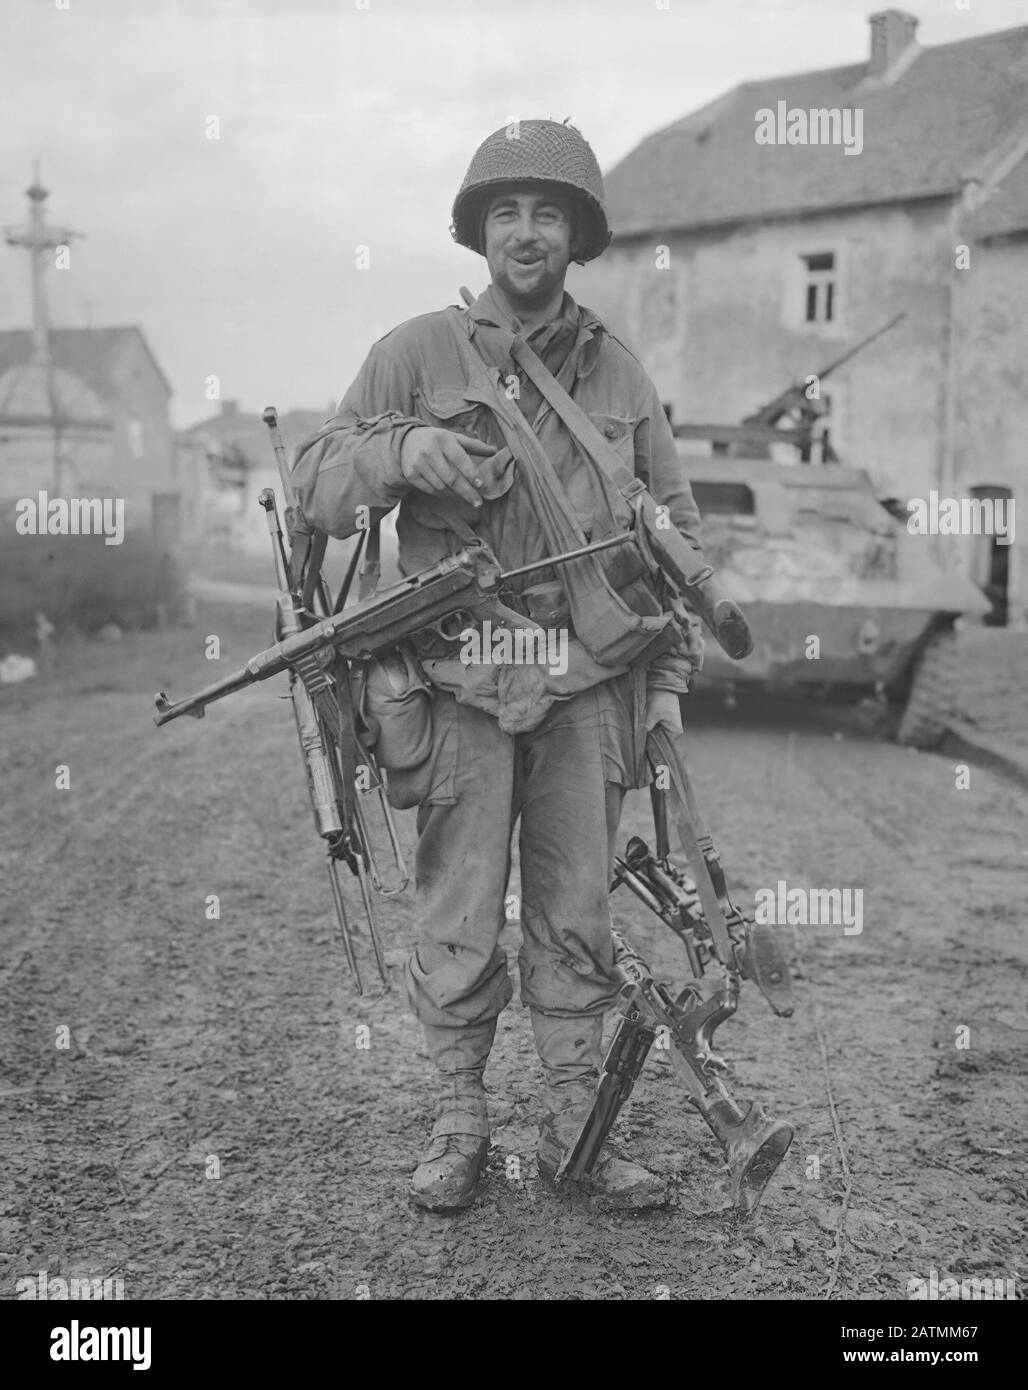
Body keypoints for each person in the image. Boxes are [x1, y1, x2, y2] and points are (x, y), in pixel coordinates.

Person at [291, 118, 708, 1213]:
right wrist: (397, 449)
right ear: (479, 232)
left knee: (576, 913)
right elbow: (316, 485)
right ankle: (458, 1118)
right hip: (459, 681)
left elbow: (678, 535)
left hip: (580, 690)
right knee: (457, 911)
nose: (527, 234)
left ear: (579, 232)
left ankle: (576, 1125)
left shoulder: (618, 375)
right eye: (506, 213)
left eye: (548, 212)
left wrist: (666, 686)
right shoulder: (413, 353)